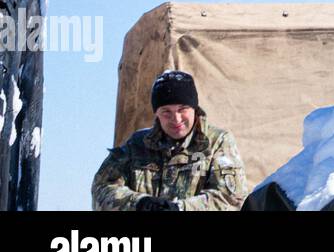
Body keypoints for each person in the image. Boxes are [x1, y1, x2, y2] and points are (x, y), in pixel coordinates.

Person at [91, 70, 247, 211]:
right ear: (156, 113)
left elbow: (231, 199)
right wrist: (140, 203)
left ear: (194, 108)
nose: (176, 118)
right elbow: (102, 188)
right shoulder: (137, 145)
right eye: (166, 112)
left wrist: (180, 209)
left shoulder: (217, 143)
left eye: (182, 109)